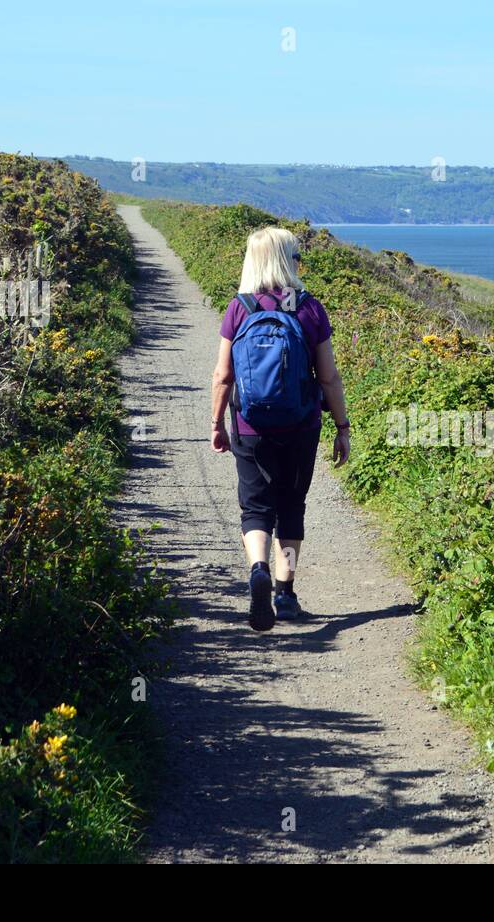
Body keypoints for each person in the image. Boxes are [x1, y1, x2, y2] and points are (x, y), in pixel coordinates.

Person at [210, 226, 351, 631]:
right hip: (300, 424)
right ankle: (284, 593)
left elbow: (222, 376)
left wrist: (217, 423)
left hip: (249, 423)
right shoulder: (308, 308)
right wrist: (341, 425)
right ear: (287, 260)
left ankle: (257, 568)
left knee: (255, 507)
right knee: (291, 505)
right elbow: (328, 378)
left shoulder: (239, 308)